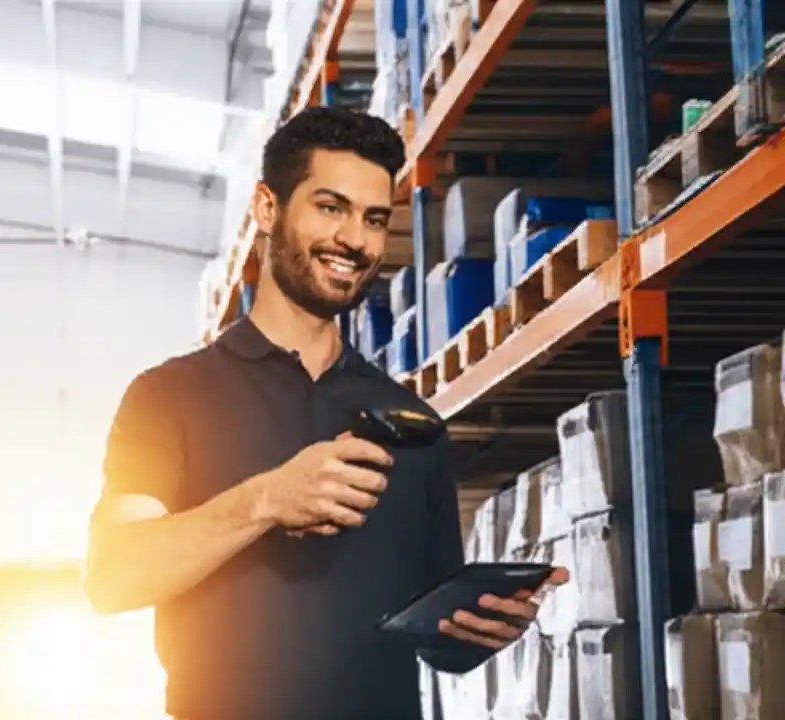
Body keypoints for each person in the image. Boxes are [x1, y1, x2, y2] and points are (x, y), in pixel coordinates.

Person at [83, 106, 568, 719]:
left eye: (373, 219)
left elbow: (433, 633)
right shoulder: (168, 396)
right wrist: (265, 499)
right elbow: (112, 575)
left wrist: (482, 627)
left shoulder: (410, 420)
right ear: (267, 209)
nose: (354, 241)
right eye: (330, 207)